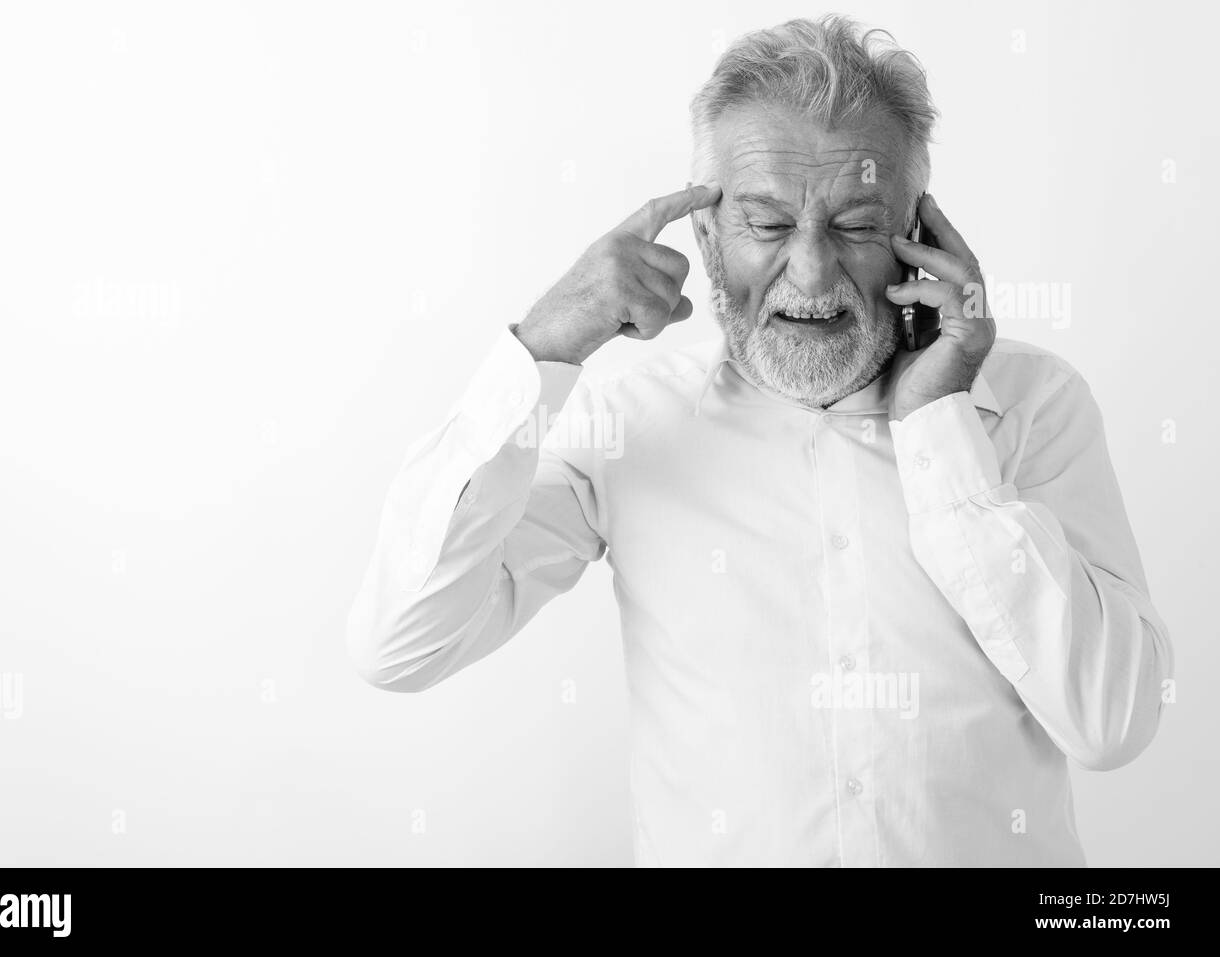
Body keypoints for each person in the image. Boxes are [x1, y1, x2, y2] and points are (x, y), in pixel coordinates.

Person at [347, 15, 1173, 866]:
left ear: (919, 236)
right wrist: (544, 346)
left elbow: (1112, 722)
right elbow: (401, 644)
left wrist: (941, 428)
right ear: (706, 236)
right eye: (769, 226)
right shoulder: (630, 426)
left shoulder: (1035, 404)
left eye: (855, 224)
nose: (811, 272)